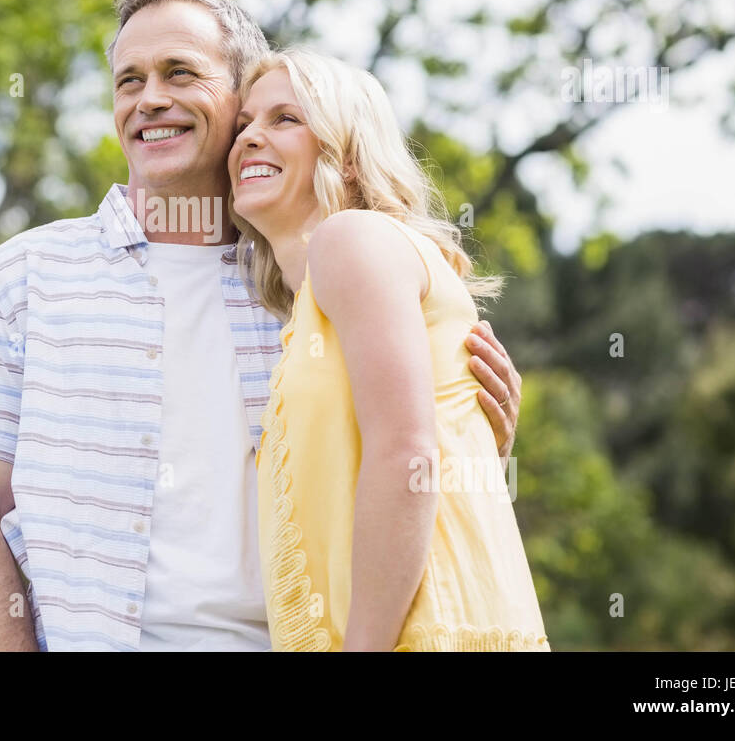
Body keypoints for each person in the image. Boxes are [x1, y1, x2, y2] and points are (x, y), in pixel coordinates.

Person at [0, 0, 525, 651]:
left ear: (241, 100)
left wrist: (472, 430)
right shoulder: (19, 281)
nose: (150, 100)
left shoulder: (311, 285)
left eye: (179, 73)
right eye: (129, 81)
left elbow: (401, 459)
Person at [228, 46, 549, 651]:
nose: (248, 138)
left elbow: (405, 452)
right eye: (244, 124)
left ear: (348, 158)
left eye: (284, 119)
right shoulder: (312, 307)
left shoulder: (350, 239)